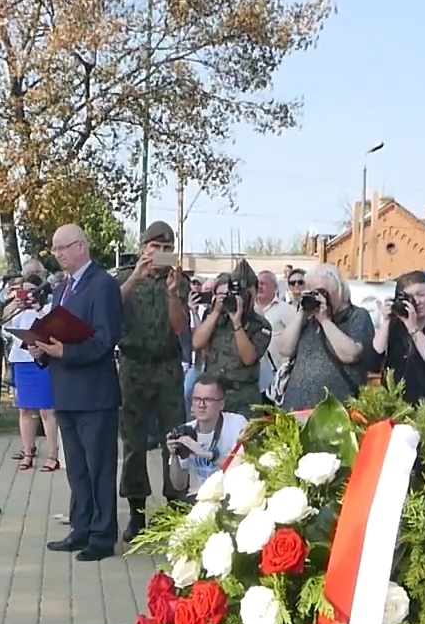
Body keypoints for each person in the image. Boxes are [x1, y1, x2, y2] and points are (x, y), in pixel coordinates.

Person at [35, 223, 123, 561]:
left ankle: (102, 536)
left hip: (94, 395)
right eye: (54, 248)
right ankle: (81, 527)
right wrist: (41, 349)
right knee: (76, 469)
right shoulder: (62, 288)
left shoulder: (103, 285)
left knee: (99, 467)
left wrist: (67, 352)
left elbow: (105, 339)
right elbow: (57, 333)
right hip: (66, 392)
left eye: (63, 247)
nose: (57, 254)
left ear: (81, 246)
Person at [112, 221, 190, 542]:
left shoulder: (177, 281)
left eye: (167, 248)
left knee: (174, 440)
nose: (160, 253)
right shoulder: (124, 279)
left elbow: (180, 328)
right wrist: (134, 278)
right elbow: (109, 310)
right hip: (133, 366)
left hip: (167, 367)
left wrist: (172, 293)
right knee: (133, 442)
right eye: (155, 247)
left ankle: (175, 509)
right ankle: (137, 512)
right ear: (143, 248)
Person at [274, 263, 373, 412]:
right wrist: (301, 314)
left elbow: (350, 355)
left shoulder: (357, 316)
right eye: (312, 292)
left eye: (321, 292)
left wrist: (325, 321)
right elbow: (284, 349)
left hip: (335, 413)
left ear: (339, 291)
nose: (318, 297)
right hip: (296, 408)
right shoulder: (308, 318)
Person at [191, 260, 271, 415]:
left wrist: (237, 323)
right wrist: (216, 312)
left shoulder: (260, 325)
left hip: (243, 396)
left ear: (255, 292)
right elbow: (197, 343)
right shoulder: (215, 316)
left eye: (245, 293)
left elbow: (248, 358)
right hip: (213, 394)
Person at [2, 278, 60, 471]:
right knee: (25, 409)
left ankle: (53, 455)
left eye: (31, 291)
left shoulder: (48, 307)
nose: (27, 295)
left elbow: (52, 326)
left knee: (46, 410)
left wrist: (37, 308)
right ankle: (28, 451)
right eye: (23, 291)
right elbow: (6, 328)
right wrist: (14, 305)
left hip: (41, 361)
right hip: (21, 360)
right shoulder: (18, 309)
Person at [371, 270, 425, 404]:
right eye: (409, 297)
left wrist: (413, 328)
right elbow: (373, 361)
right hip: (395, 404)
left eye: (421, 295)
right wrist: (386, 321)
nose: (416, 302)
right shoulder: (396, 327)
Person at [166, 375, 248, 496]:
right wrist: (174, 456)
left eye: (208, 399)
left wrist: (207, 454)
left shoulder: (237, 424)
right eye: (196, 399)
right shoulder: (186, 431)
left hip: (231, 494)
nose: (201, 405)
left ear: (221, 404)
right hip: (199, 497)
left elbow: (242, 469)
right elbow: (179, 485)